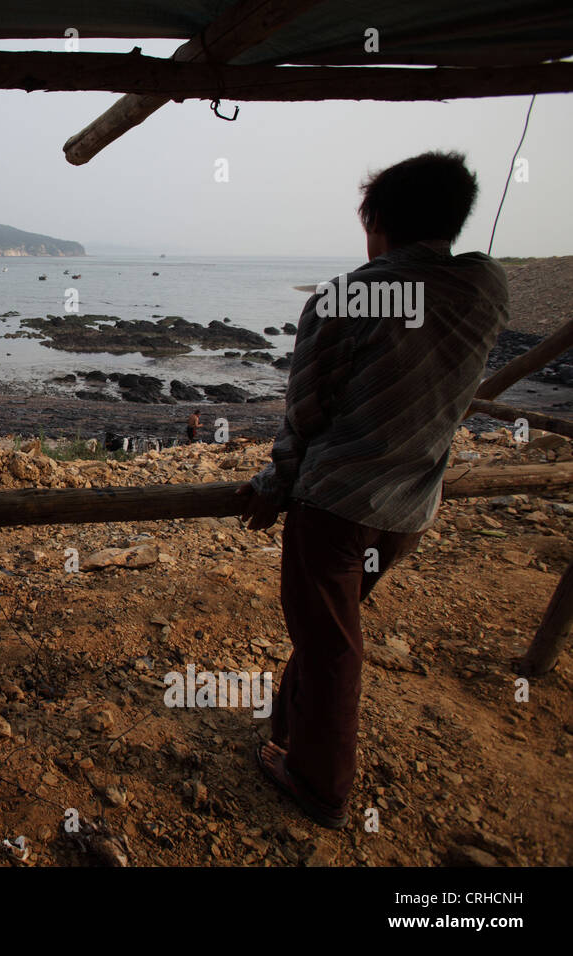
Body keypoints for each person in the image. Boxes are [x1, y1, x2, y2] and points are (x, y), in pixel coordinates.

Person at [235, 151, 508, 828]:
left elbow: (304, 412)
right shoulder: (486, 286)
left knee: (330, 643)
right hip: (410, 508)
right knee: (330, 630)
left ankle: (318, 786)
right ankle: (291, 732)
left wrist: (275, 482)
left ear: (376, 219)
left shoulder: (346, 297)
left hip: (336, 505)